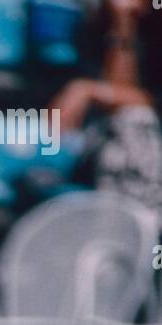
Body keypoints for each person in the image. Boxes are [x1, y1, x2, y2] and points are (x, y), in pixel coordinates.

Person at [54, 0, 162, 214]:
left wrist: (90, 91)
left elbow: (150, 104)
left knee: (137, 119)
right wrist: (122, 24)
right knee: (130, 121)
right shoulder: (97, 22)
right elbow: (117, 98)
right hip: (104, 138)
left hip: (150, 142)